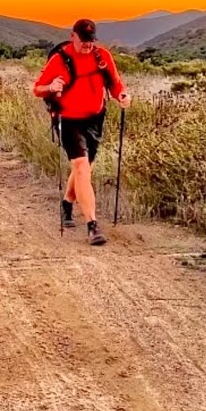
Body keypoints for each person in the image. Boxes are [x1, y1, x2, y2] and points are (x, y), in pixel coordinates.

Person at [32, 18, 130, 246]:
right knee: (81, 167)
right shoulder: (60, 59)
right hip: (69, 120)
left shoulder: (102, 57)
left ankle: (67, 203)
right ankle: (92, 226)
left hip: (95, 118)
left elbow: (115, 84)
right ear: (73, 35)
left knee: (84, 170)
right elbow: (37, 88)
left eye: (91, 41)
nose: (87, 45)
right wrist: (50, 87)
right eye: (84, 40)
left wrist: (122, 95)